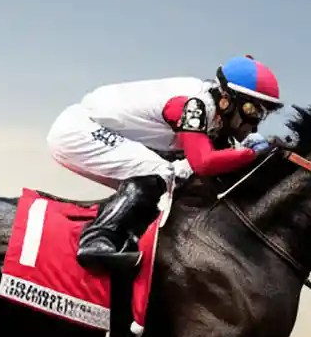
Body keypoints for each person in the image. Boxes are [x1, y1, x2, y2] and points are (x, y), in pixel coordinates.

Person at [46, 55, 286, 273]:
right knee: (163, 173)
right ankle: (95, 242)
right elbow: (203, 163)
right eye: (252, 110)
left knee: (177, 178)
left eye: (262, 115)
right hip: (80, 130)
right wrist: (249, 154)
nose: (254, 125)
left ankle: (127, 234)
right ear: (227, 100)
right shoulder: (195, 105)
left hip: (96, 129)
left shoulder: (212, 112)